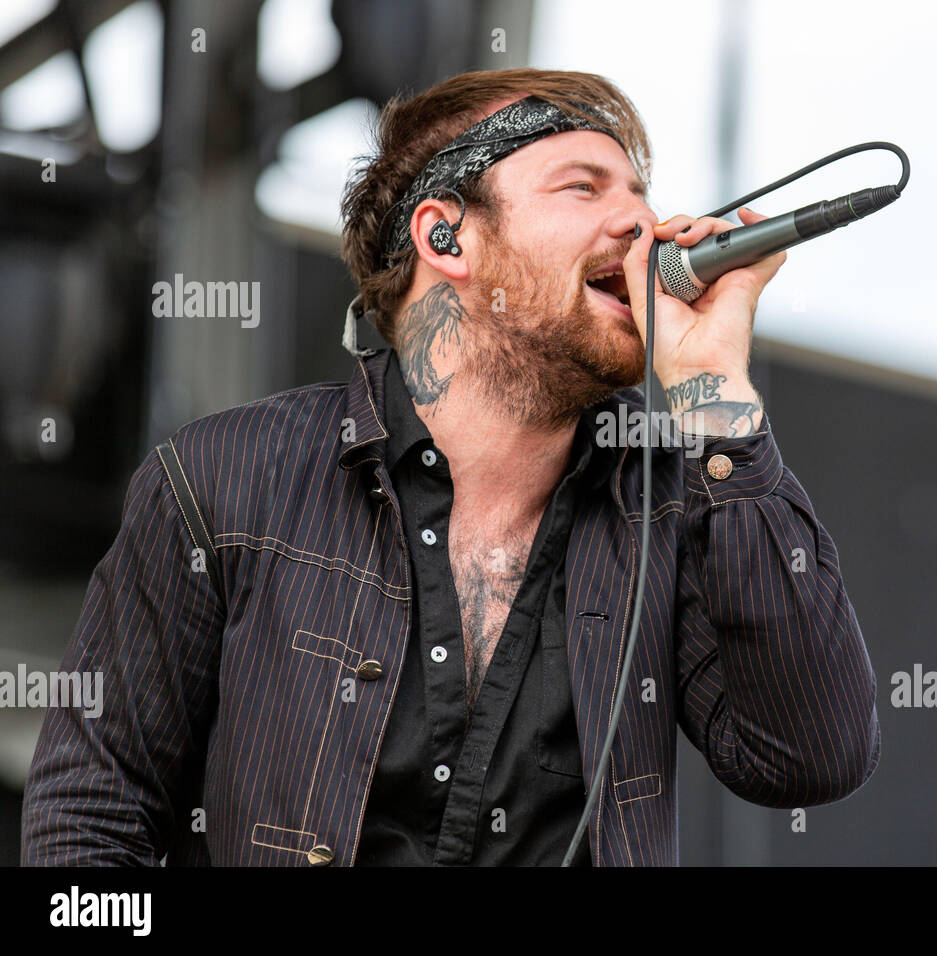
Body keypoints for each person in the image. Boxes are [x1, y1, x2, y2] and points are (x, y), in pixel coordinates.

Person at [21, 67, 880, 867]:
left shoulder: (673, 499)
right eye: (583, 186)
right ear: (445, 235)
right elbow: (91, 814)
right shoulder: (226, 477)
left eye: (641, 194)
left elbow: (809, 758)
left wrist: (715, 392)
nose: (642, 224)